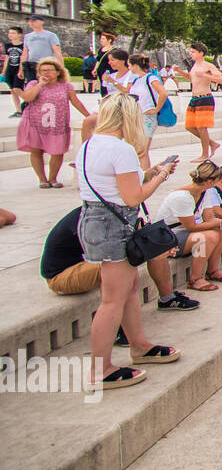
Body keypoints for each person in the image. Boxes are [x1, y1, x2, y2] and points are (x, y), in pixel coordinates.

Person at [76, 93, 181, 389]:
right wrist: (159, 178)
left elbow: (113, 183)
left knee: (130, 288)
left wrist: (151, 171)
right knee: (112, 300)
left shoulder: (89, 145)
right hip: (113, 224)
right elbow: (133, 196)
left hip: (95, 220)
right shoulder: (120, 148)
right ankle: (101, 369)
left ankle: (139, 345)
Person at [41, 206, 200, 309]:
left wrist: (161, 247)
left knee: (154, 249)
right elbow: (107, 252)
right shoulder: (89, 217)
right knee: (117, 264)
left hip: (86, 265)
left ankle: (167, 298)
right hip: (61, 276)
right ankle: (115, 326)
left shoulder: (115, 213)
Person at [152, 159, 222, 291]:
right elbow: (191, 227)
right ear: (210, 182)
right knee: (208, 237)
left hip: (183, 233)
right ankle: (195, 279)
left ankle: (212, 271)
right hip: (168, 237)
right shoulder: (182, 197)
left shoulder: (205, 191)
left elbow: (208, 219)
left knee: (221, 231)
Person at [18, 56, 91, 188]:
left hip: (57, 124)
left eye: (49, 70)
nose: (46, 73)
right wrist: (40, 84)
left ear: (58, 72)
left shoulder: (65, 86)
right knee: (36, 151)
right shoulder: (33, 84)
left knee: (58, 151)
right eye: (42, 70)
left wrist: (89, 116)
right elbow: (28, 98)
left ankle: (53, 178)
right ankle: (42, 179)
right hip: (36, 123)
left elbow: (75, 101)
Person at [170, 42, 222, 162]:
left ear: (201, 53)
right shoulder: (195, 66)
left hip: (205, 98)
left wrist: (205, 75)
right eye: (191, 52)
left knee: (201, 128)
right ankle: (212, 143)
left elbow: (220, 80)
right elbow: (191, 77)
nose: (191, 54)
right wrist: (179, 71)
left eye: (193, 52)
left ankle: (204, 154)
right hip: (195, 98)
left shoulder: (208, 66)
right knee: (189, 126)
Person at [127, 53, 169, 168]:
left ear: (135, 65)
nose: (129, 68)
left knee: (142, 150)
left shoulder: (151, 78)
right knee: (138, 149)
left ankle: (146, 176)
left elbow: (163, 93)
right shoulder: (137, 80)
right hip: (137, 116)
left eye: (129, 65)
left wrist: (156, 109)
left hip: (148, 117)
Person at [20, 15, 63, 87]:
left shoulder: (51, 35)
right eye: (30, 21)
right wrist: (21, 69)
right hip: (31, 65)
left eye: (33, 21)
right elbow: (25, 53)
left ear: (41, 22)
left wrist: (61, 67)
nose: (31, 23)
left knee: (46, 86)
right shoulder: (27, 36)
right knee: (31, 86)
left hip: (46, 64)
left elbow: (57, 51)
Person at [5, 27, 24, 116]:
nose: (10, 35)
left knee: (17, 89)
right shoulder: (8, 46)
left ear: (19, 35)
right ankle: (18, 111)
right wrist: (4, 72)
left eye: (13, 33)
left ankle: (30, 101)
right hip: (10, 70)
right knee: (13, 91)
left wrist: (21, 70)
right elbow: (7, 58)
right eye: (9, 33)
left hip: (19, 70)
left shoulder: (23, 46)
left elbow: (23, 59)